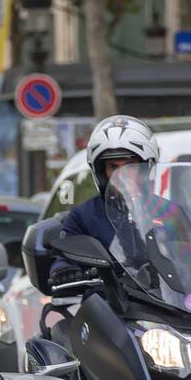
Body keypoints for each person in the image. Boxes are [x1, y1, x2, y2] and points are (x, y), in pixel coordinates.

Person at [50, 115, 159, 290]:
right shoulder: (83, 217)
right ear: (101, 172)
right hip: (109, 302)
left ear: (146, 169)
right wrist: (64, 271)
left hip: (166, 301)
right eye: (113, 167)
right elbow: (63, 259)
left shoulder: (169, 211)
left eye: (130, 165)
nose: (122, 174)